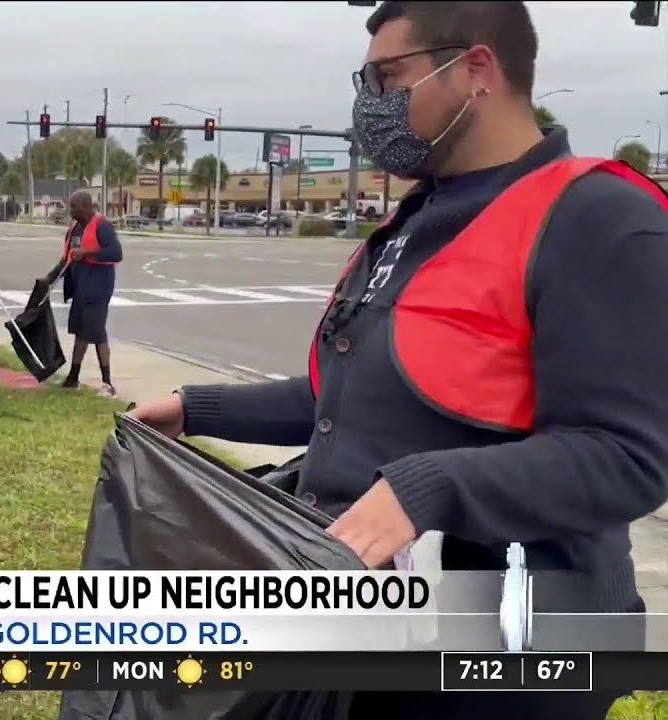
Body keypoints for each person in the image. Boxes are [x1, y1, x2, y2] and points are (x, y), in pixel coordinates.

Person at [132, 2, 668, 717]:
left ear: (476, 68)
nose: (370, 106)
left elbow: (630, 455)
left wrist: (428, 488)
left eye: (389, 78)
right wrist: (197, 408)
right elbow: (361, 401)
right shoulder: (413, 224)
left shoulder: (594, 216)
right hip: (370, 632)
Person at [58, 191, 122, 395]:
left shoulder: (102, 226)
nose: (71, 210)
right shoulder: (75, 228)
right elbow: (67, 258)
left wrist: (87, 253)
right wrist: (49, 279)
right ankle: (73, 377)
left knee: (97, 333)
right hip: (80, 288)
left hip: (98, 288)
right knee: (81, 331)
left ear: (85, 206)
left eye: (74, 206)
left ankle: (108, 383)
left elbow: (116, 253)